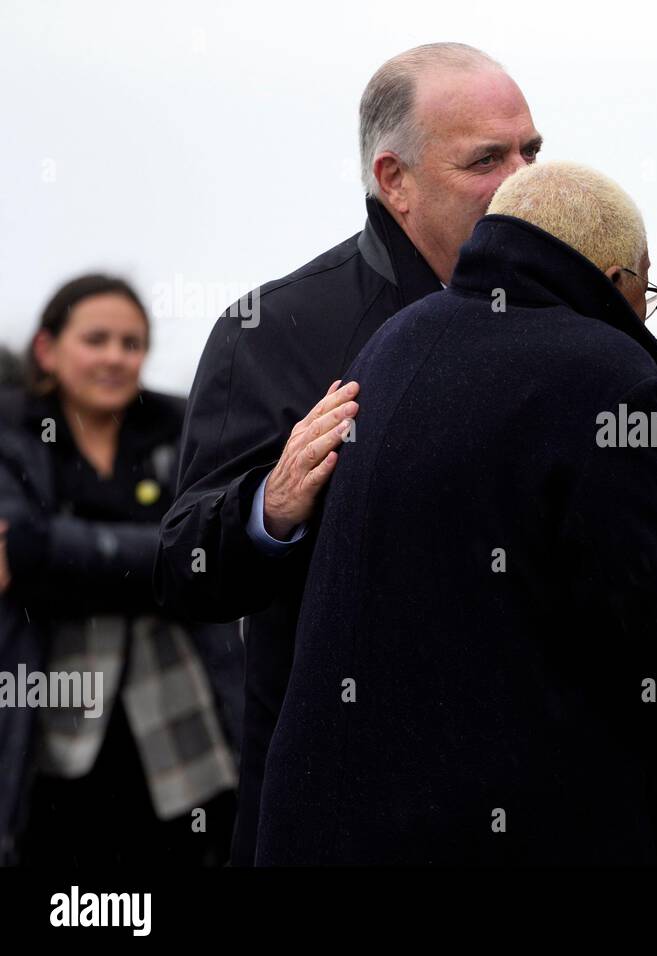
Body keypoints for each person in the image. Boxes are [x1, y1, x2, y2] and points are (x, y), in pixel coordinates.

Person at [255, 161, 657, 865]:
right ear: (618, 279)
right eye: (647, 292)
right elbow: (643, 627)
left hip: (332, 823)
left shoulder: (392, 344)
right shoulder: (606, 375)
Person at [154, 43, 544, 865]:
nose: (522, 179)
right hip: (343, 819)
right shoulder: (273, 329)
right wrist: (273, 505)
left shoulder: (570, 313)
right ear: (394, 179)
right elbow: (186, 565)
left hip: (544, 803)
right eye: (486, 159)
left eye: (530, 152)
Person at [0, 274, 241, 865]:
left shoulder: (181, 427)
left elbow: (214, 554)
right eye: (97, 339)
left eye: (131, 344)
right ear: (47, 350)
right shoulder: (9, 432)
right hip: (43, 727)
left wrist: (59, 557)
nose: (116, 357)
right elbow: (19, 548)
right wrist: (165, 556)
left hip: (182, 731)